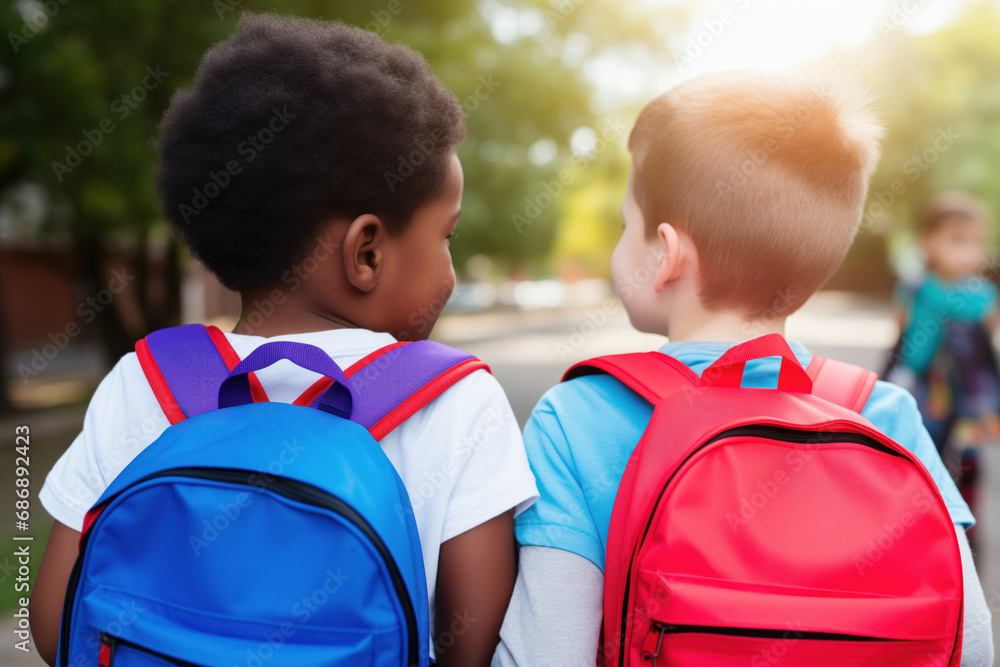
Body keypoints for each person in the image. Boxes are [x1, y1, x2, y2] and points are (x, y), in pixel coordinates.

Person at [30, 14, 537, 667]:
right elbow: (471, 646)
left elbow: (54, 625)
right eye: (447, 235)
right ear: (368, 252)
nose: (451, 268)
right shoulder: (460, 401)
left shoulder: (144, 380)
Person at [492, 71, 994, 666]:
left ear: (666, 256)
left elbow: (546, 652)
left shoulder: (578, 416)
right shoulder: (883, 414)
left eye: (628, 225)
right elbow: (974, 643)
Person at [885, 191, 1000, 554]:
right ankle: (915, 528)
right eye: (956, 240)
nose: (968, 252)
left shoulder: (981, 293)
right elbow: (901, 331)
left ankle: (965, 534)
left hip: (968, 398)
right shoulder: (915, 287)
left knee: (967, 461)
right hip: (922, 389)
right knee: (919, 452)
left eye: (974, 243)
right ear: (926, 241)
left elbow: (987, 334)